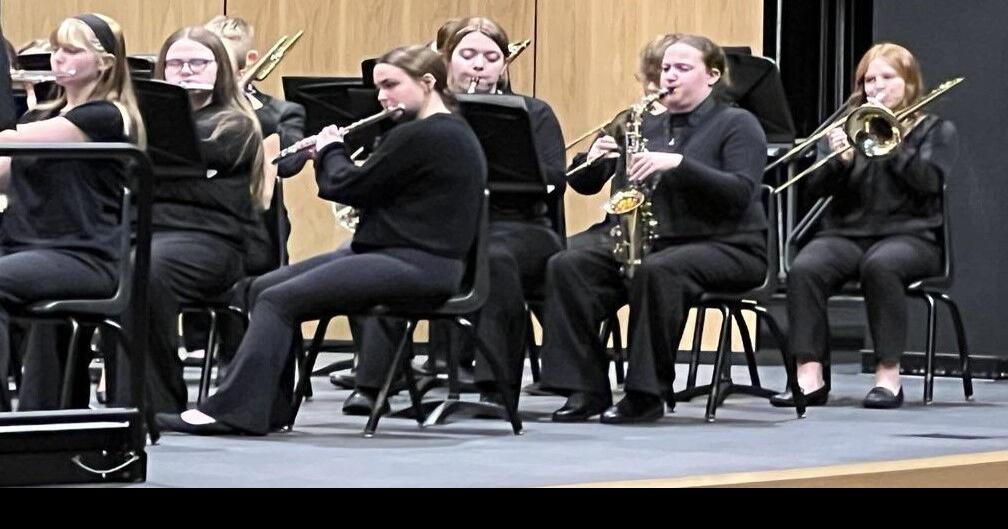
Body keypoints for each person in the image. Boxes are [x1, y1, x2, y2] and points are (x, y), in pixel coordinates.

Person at [155, 44, 487, 435]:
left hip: (420, 264)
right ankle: (267, 407)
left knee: (278, 300)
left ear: (428, 82)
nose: (382, 97)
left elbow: (347, 186)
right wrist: (336, 157)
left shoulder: (428, 134)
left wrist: (331, 150)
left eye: (391, 85)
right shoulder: (433, 131)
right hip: (391, 254)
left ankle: (232, 412)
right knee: (257, 288)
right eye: (378, 87)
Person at [540, 33, 769, 424]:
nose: (670, 77)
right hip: (647, 238)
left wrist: (678, 164)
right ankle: (585, 388)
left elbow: (741, 192)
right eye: (666, 68)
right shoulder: (641, 119)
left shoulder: (737, 124)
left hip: (725, 244)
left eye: (683, 68)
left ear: (712, 76)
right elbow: (582, 184)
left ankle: (645, 393)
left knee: (659, 271)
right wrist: (592, 159)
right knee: (568, 264)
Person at [346, 16, 566, 415]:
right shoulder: (425, 114)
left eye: (491, 56)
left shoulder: (534, 112)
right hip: (441, 226)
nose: (479, 65)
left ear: (504, 64)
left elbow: (554, 177)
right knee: (370, 252)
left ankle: (494, 387)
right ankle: (375, 380)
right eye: (468, 55)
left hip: (517, 226)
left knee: (494, 260)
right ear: (446, 63)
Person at [770, 43, 958, 410]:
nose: (877, 87)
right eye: (869, 79)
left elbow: (930, 182)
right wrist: (837, 161)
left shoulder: (934, 130)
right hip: (846, 235)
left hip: (912, 235)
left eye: (887, 77)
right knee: (806, 268)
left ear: (909, 82)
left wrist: (894, 145)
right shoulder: (848, 129)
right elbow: (815, 190)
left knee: (881, 265)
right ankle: (809, 375)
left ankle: (888, 376)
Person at [0, 14, 144, 410]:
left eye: (71, 50)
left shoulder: (106, 117)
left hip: (85, 257)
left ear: (104, 63)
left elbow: (11, 141)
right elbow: (4, 170)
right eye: (56, 49)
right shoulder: (40, 116)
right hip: (28, 250)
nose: (57, 59)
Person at [137, 26, 264, 414]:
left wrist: (153, 176)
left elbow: (189, 160)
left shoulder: (235, 124)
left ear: (220, 69)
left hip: (213, 243)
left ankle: (158, 404)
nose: (185, 70)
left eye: (197, 62)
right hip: (148, 233)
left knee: (144, 268)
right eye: (175, 63)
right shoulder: (140, 123)